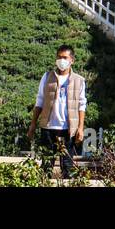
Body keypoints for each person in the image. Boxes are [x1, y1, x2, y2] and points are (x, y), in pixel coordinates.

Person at [28, 45, 87, 179]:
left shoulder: (79, 80)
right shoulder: (47, 76)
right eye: (59, 57)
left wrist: (80, 128)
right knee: (46, 165)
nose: (61, 60)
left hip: (69, 129)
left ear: (72, 60)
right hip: (48, 127)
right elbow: (40, 101)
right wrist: (33, 124)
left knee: (68, 166)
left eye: (65, 57)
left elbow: (82, 104)